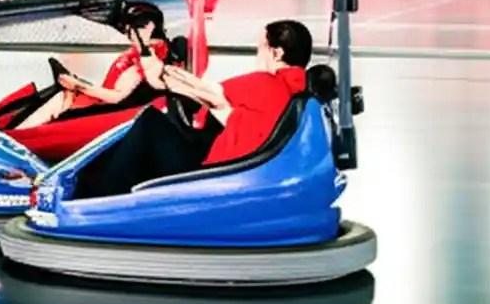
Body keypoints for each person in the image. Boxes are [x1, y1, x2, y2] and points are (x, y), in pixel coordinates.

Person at [74, 19, 332, 198]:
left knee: (150, 123)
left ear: (276, 53)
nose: (258, 55)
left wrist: (163, 73)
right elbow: (226, 110)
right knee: (172, 131)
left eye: (260, 48)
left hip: (213, 176)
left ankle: (93, 199)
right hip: (239, 169)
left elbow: (207, 92)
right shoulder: (294, 90)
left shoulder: (267, 84)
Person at [0, 2, 175, 131]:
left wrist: (79, 86)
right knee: (57, 93)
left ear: (149, 26)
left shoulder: (151, 55)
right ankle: (4, 126)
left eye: (132, 29)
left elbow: (117, 97)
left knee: (62, 97)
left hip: (111, 112)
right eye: (126, 29)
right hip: (110, 105)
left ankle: (14, 137)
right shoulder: (145, 52)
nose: (127, 34)